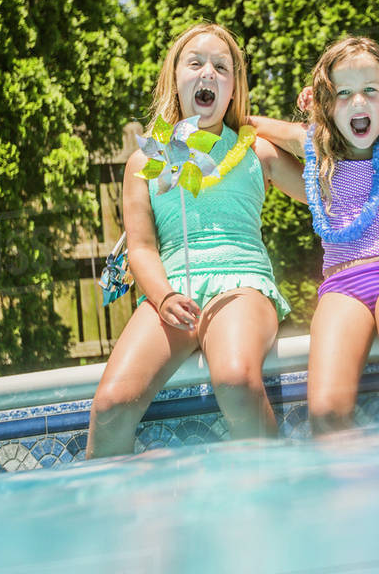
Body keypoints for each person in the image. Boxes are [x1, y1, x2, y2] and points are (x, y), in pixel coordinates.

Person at [87, 23, 306, 457]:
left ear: (231, 90)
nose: (208, 72)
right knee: (110, 405)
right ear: (175, 78)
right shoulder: (145, 162)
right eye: (196, 63)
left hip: (241, 285)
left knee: (235, 379)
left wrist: (288, 129)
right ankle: (115, 511)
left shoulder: (253, 151)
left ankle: (273, 495)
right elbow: (142, 247)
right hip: (171, 293)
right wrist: (163, 295)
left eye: (221, 67)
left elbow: (329, 197)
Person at [252, 37, 379, 434]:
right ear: (326, 103)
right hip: (342, 283)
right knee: (325, 411)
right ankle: (354, 492)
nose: (358, 102)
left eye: (370, 91)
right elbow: (247, 125)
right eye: (343, 94)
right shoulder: (314, 148)